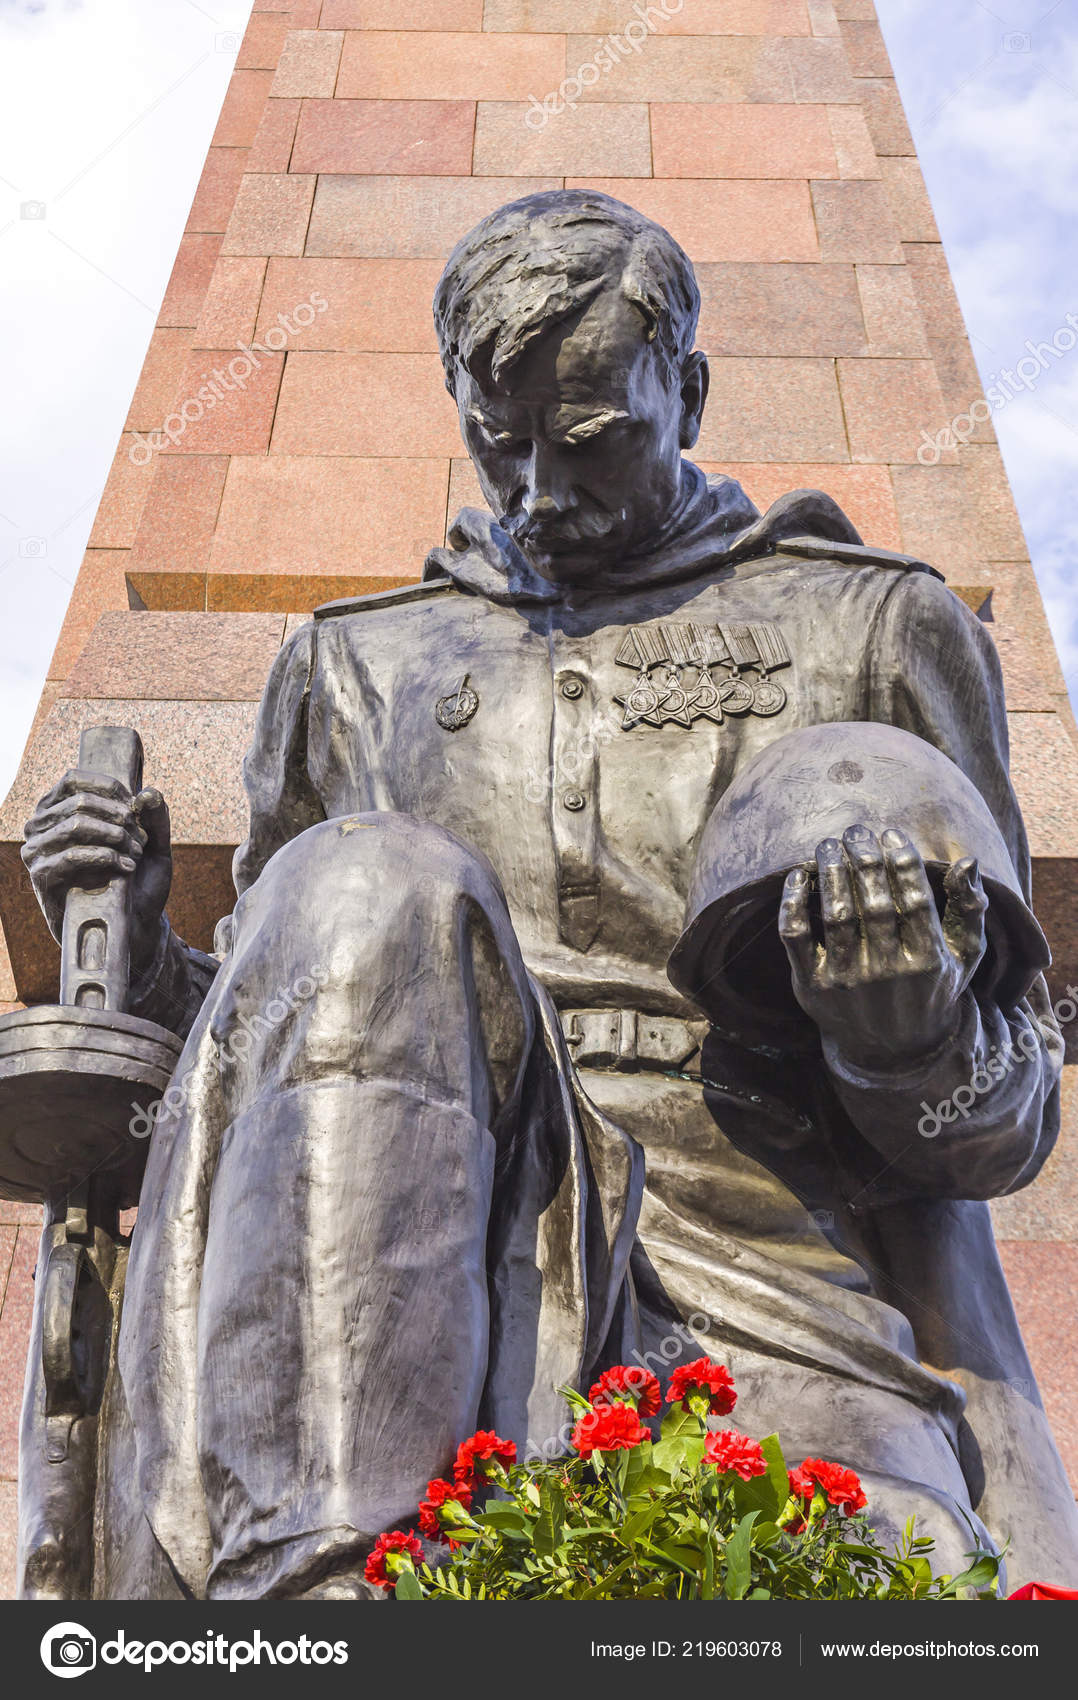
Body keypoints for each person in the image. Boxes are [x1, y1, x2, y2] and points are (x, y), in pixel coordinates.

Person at [20, 190, 1078, 1599]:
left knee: (868, 1569)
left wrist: (906, 1037)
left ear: (685, 392)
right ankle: (328, 1583)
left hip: (764, 1244)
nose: (535, 496)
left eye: (589, 443)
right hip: (399, 1245)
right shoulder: (355, 665)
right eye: (496, 443)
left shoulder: (870, 628)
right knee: (361, 876)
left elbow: (999, 1128)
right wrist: (144, 952)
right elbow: (274, 1053)